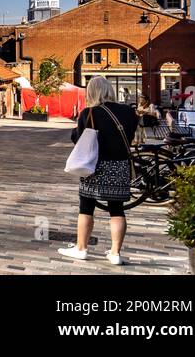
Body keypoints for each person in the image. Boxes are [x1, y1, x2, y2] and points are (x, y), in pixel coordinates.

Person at [58, 75, 138, 266]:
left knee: (86, 207)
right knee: (117, 210)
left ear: (91, 92)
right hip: (120, 166)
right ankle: (115, 253)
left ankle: (81, 248)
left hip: (95, 166)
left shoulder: (89, 113)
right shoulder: (129, 112)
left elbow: (79, 139)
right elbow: (131, 135)